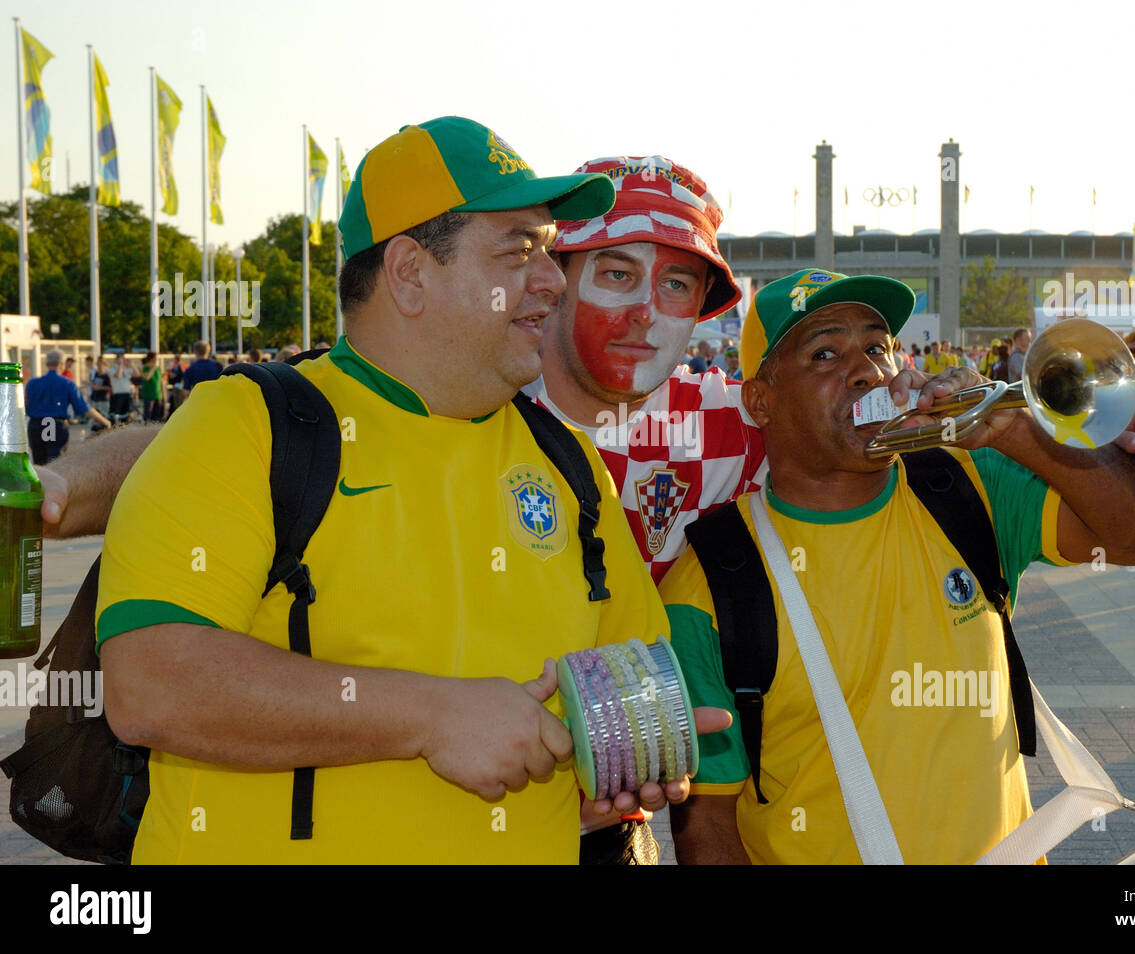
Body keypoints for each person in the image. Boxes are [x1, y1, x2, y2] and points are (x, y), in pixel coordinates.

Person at [95, 116, 691, 864]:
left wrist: (634, 745)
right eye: (519, 251)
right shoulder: (249, 423)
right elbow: (152, 683)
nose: (552, 280)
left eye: (550, 253)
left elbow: (624, 676)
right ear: (410, 272)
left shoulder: (569, 462)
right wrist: (432, 717)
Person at [664, 269, 1135, 864]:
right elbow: (705, 820)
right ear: (760, 401)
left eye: (877, 347)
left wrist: (1012, 427)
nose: (866, 371)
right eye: (826, 353)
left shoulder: (966, 486)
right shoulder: (709, 578)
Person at [25, 349, 112, 463]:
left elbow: (27, 404)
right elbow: (83, 408)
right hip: (54, 425)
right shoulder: (67, 383)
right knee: (56, 463)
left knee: (39, 463)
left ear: (46, 364)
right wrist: (104, 421)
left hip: (35, 426)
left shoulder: (32, 383)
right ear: (62, 364)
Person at [108, 353, 135, 418]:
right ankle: (116, 426)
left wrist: (132, 364)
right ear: (116, 359)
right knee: (117, 413)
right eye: (121, 358)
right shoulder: (112, 368)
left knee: (126, 413)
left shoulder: (126, 368)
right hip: (118, 393)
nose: (122, 360)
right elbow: (118, 375)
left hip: (127, 393)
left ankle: (125, 425)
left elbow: (137, 374)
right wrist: (121, 365)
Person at [139, 352, 164, 422]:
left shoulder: (158, 369)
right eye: (155, 358)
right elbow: (147, 377)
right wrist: (153, 368)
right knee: (147, 418)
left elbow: (161, 382)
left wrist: (164, 396)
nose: (156, 360)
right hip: (148, 396)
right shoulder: (145, 368)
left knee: (157, 418)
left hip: (158, 396)